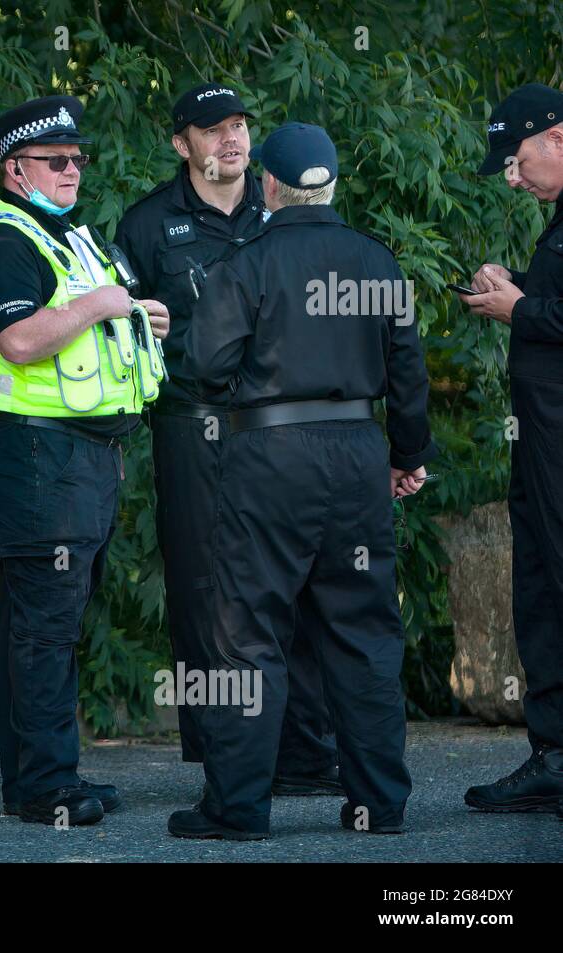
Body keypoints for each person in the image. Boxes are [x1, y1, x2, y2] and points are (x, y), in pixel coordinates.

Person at [172, 122, 436, 839]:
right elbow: (407, 373)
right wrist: (405, 454)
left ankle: (238, 808)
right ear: (332, 185)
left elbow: (204, 366)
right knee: (365, 631)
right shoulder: (377, 261)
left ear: (269, 187)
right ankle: (378, 804)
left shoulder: (248, 261)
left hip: (270, 458)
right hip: (356, 453)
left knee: (249, 632)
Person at [114, 83, 340, 795]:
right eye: (213, 130)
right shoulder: (147, 224)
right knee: (205, 590)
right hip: (193, 425)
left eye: (240, 124)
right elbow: (116, 330)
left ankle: (301, 754)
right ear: (183, 144)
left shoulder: (282, 210)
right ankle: (227, 761)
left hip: (284, 423)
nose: (233, 139)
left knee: (298, 582)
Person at [0, 95, 169, 825]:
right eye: (56, 160)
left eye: (78, 157)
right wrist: (106, 303)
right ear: (16, 170)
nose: (73, 168)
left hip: (80, 456)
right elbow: (19, 340)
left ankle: (36, 776)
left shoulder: (66, 236)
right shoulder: (2, 244)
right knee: (44, 627)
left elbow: (93, 322)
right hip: (38, 451)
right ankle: (47, 784)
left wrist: (137, 316)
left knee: (42, 621)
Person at [460, 83, 563, 818]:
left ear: (556, 137)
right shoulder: (556, 220)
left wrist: (520, 308)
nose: (513, 176)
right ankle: (553, 756)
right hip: (541, 441)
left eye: (518, 160)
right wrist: (516, 286)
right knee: (541, 590)